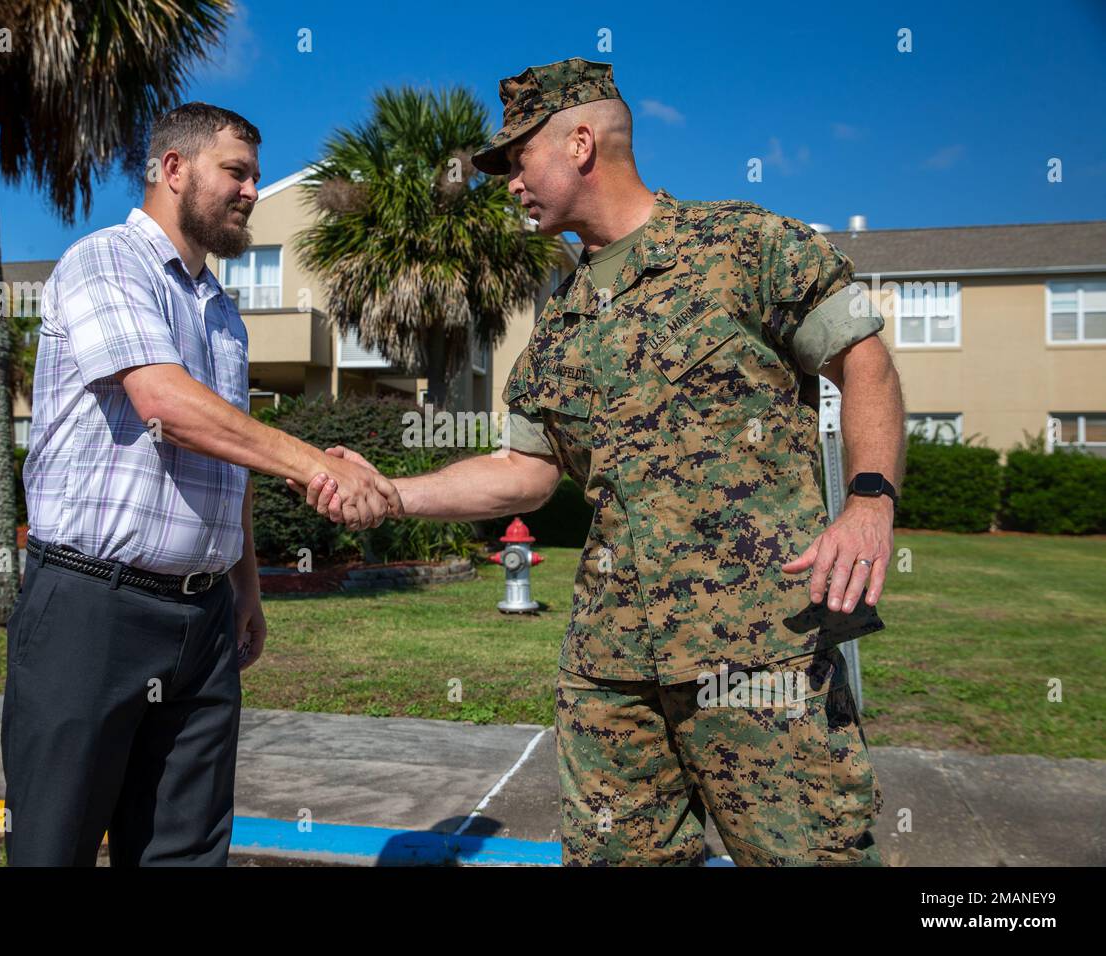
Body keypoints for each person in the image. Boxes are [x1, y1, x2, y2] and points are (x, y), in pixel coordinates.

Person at [298, 60, 905, 865]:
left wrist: (869, 502)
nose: (509, 184)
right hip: (610, 667)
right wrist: (391, 494)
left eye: (517, 161)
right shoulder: (560, 321)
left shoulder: (745, 245)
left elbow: (865, 363)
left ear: (580, 143)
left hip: (761, 649)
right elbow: (525, 469)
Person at [2, 102, 401, 867]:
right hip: (92, 608)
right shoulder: (105, 262)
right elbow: (168, 406)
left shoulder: (223, 313)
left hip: (203, 622)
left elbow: (227, 459)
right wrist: (317, 463)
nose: (252, 190)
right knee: (54, 847)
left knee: (185, 853)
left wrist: (244, 584)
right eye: (237, 172)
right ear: (174, 170)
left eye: (255, 175)